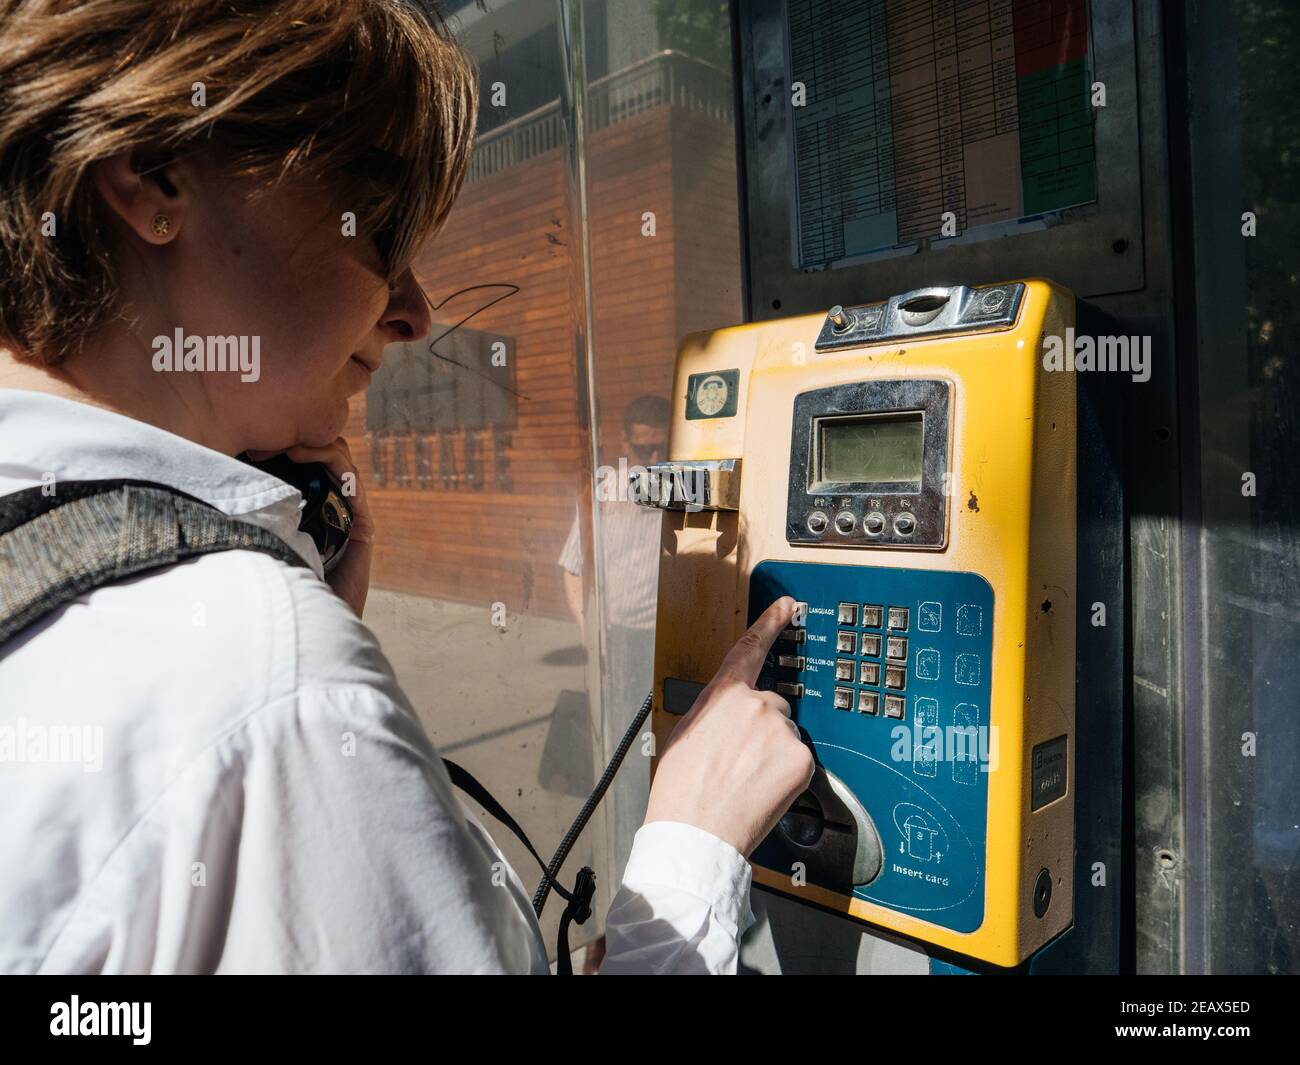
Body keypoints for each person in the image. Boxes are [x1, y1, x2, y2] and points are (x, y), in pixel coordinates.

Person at [0, 0, 813, 974]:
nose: (417, 314)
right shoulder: (268, 683)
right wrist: (690, 854)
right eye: (378, 231)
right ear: (153, 175)